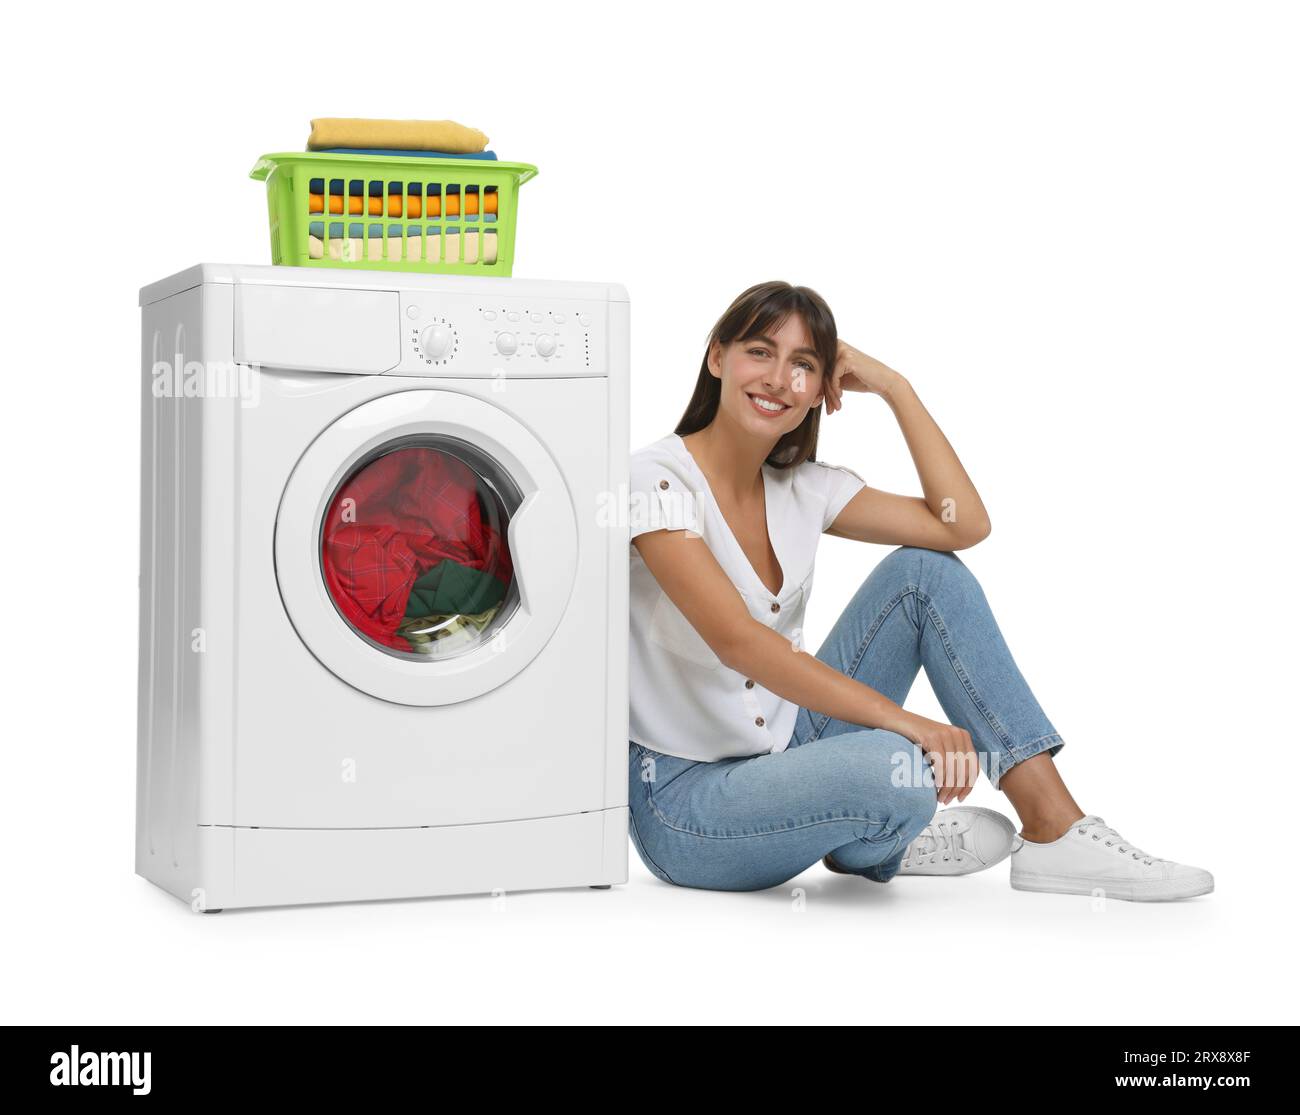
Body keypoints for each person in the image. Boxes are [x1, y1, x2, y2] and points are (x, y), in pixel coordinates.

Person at [626, 280, 1213, 901]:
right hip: (685, 803)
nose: (779, 379)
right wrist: (910, 725)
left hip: (786, 748)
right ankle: (880, 829)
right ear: (717, 357)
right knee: (903, 772)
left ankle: (1053, 830)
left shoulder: (803, 487)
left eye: (804, 365)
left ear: (821, 390)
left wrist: (893, 387)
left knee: (927, 576)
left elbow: (961, 524)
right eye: (760, 352)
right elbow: (739, 643)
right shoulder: (654, 481)